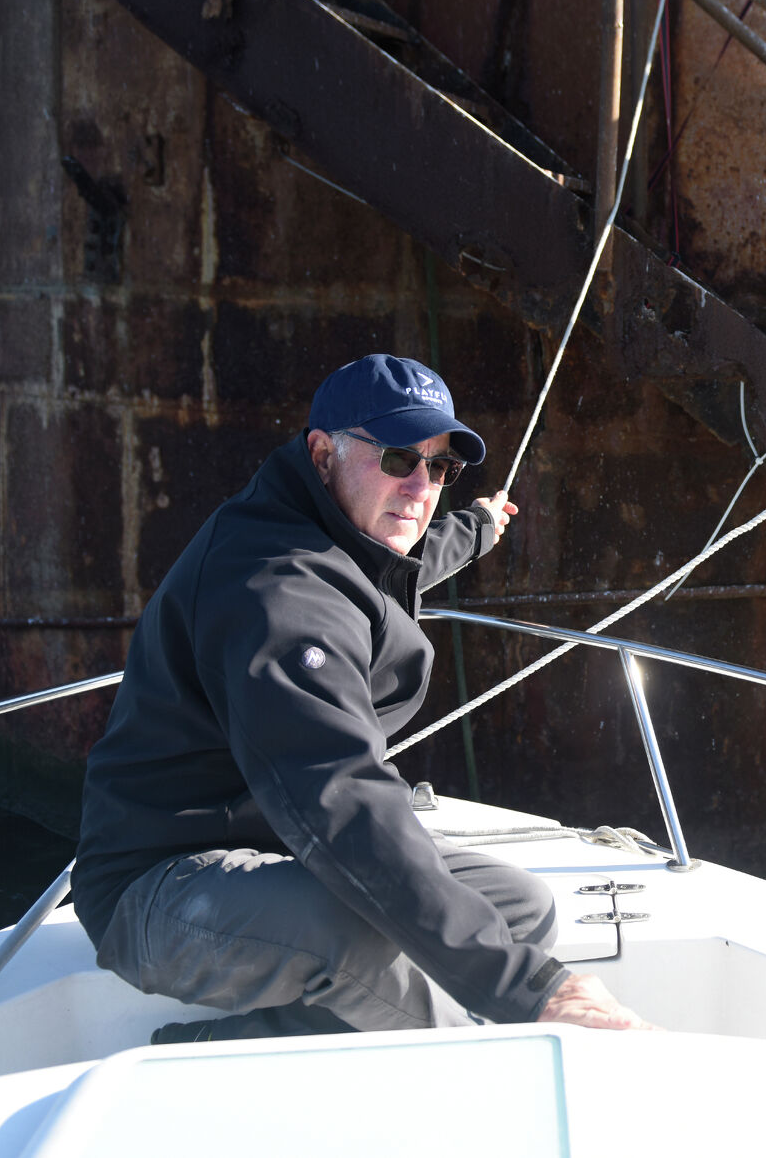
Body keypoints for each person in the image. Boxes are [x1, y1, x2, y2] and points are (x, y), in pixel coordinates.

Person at [74, 353, 648, 1039]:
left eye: (440, 467)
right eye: (400, 457)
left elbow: (407, 559)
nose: (420, 486)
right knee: (359, 935)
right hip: (157, 882)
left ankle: (233, 1049)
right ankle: (471, 1082)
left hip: (270, 843)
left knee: (520, 907)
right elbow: (341, 793)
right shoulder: (276, 592)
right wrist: (535, 992)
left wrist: (479, 526)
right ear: (322, 453)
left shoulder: (335, 528)